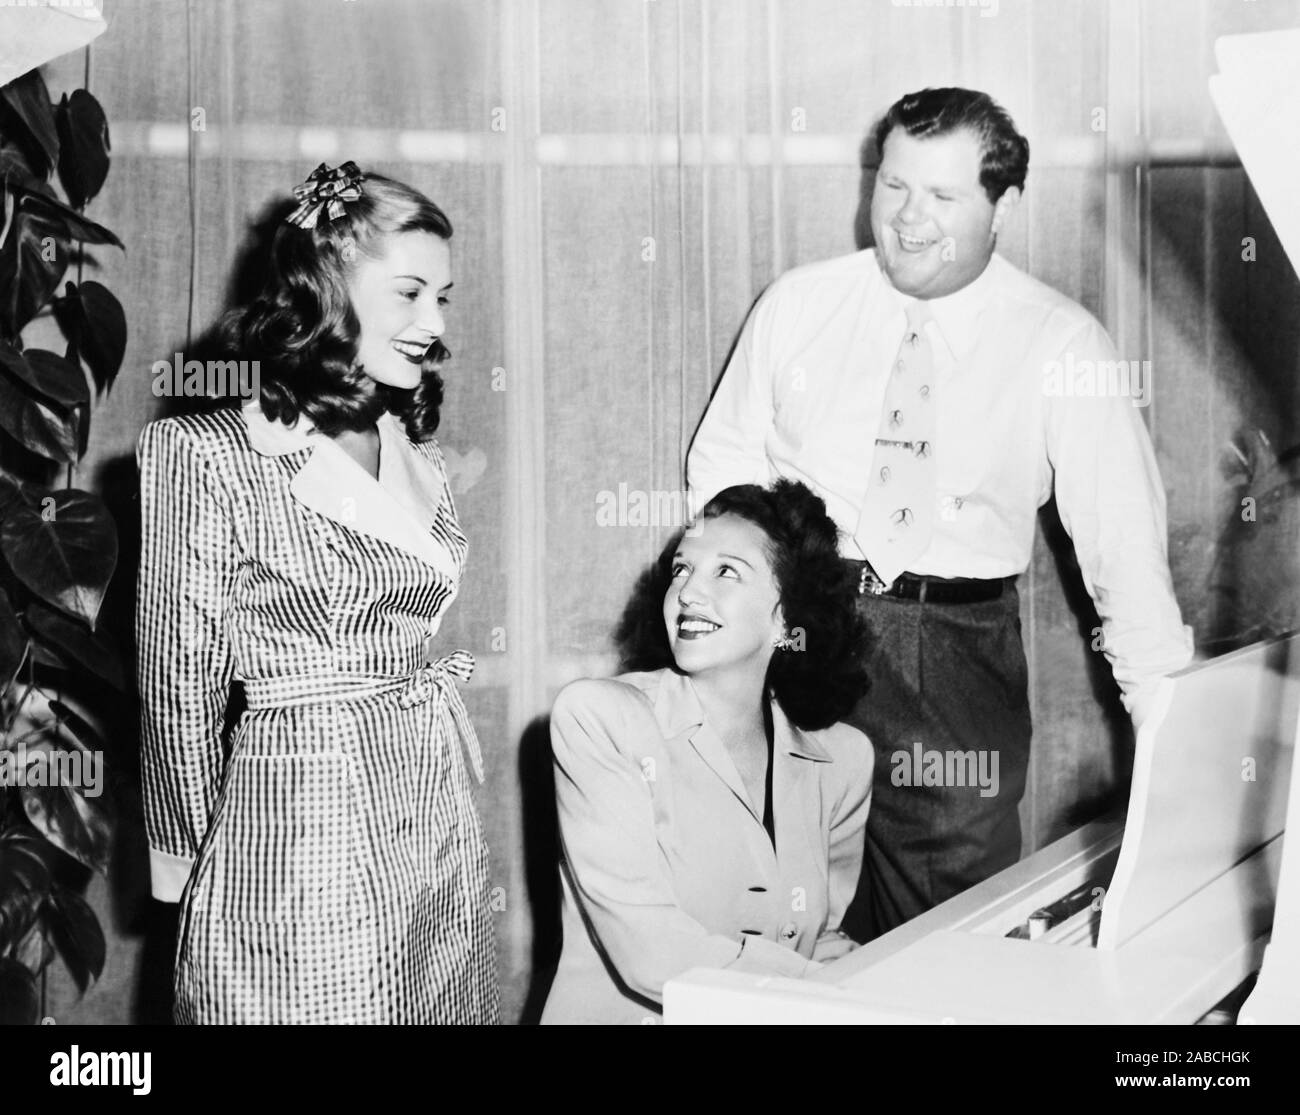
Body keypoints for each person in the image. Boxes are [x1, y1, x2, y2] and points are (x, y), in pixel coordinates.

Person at [687, 88, 1194, 942]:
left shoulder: (1062, 343)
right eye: (894, 187)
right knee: (777, 915)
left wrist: (1175, 741)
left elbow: (1125, 554)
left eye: (943, 196)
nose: (908, 220)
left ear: (1006, 206)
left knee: (952, 935)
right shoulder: (799, 305)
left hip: (951, 658)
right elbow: (723, 475)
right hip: (801, 629)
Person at [136, 162, 499, 1023]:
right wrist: (195, 872)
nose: (434, 323)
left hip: (434, 818)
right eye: (408, 292)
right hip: (301, 835)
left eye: (442, 296)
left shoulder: (413, 446)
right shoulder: (210, 452)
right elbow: (175, 683)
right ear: (329, 285)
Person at [541, 480, 874, 1024]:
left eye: (726, 571)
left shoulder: (844, 762)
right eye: (681, 569)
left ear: (788, 619)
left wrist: (844, 972)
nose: (688, 593)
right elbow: (652, 951)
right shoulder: (599, 720)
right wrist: (829, 993)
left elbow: (815, 937)